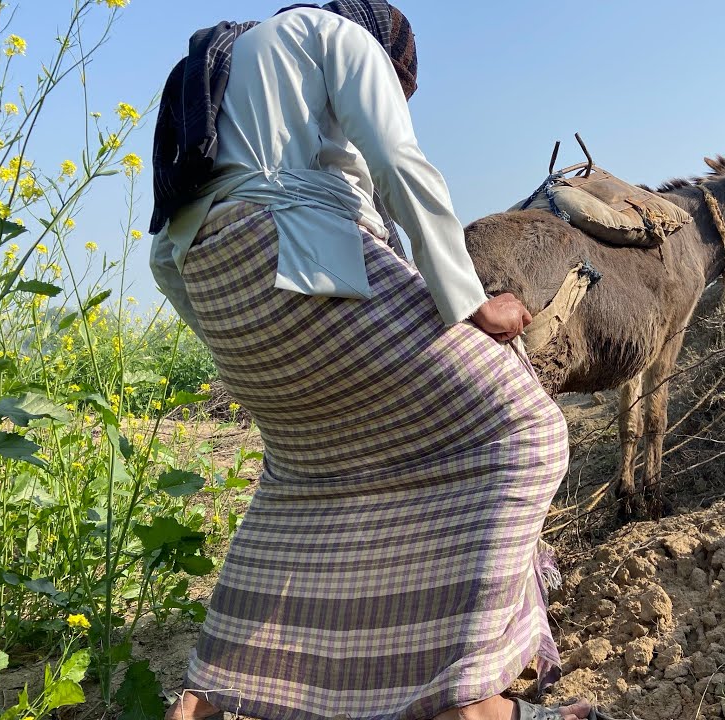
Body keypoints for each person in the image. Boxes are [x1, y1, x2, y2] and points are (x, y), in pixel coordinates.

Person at [150, 3, 601, 719]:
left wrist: (233, 336)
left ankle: (201, 700)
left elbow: (166, 246)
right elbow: (397, 162)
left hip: (215, 292)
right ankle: (472, 701)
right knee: (523, 432)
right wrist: (469, 301)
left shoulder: (212, 71)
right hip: (293, 255)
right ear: (391, 53)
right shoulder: (335, 36)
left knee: (308, 476)